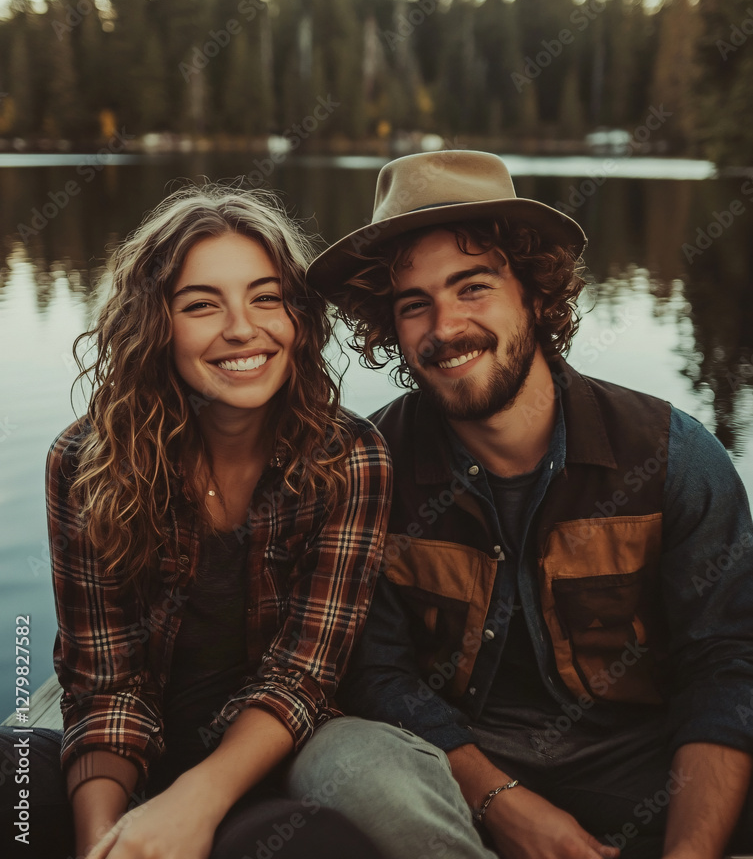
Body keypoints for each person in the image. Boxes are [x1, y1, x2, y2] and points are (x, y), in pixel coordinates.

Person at [289, 150, 753, 859]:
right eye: (414, 304)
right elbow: (376, 674)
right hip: (449, 784)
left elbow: (723, 666)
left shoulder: (671, 456)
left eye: (472, 288)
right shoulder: (364, 468)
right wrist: (503, 804)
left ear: (535, 294)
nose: (444, 328)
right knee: (337, 760)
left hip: (645, 772)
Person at [0, 187, 391, 859]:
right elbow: (104, 683)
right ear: (155, 325)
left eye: (267, 298)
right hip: (124, 759)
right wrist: (106, 840)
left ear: (299, 319)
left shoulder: (349, 459)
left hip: (258, 772)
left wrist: (196, 802)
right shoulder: (83, 461)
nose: (241, 328)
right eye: (201, 304)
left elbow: (301, 676)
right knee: (14, 781)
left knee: (306, 844)